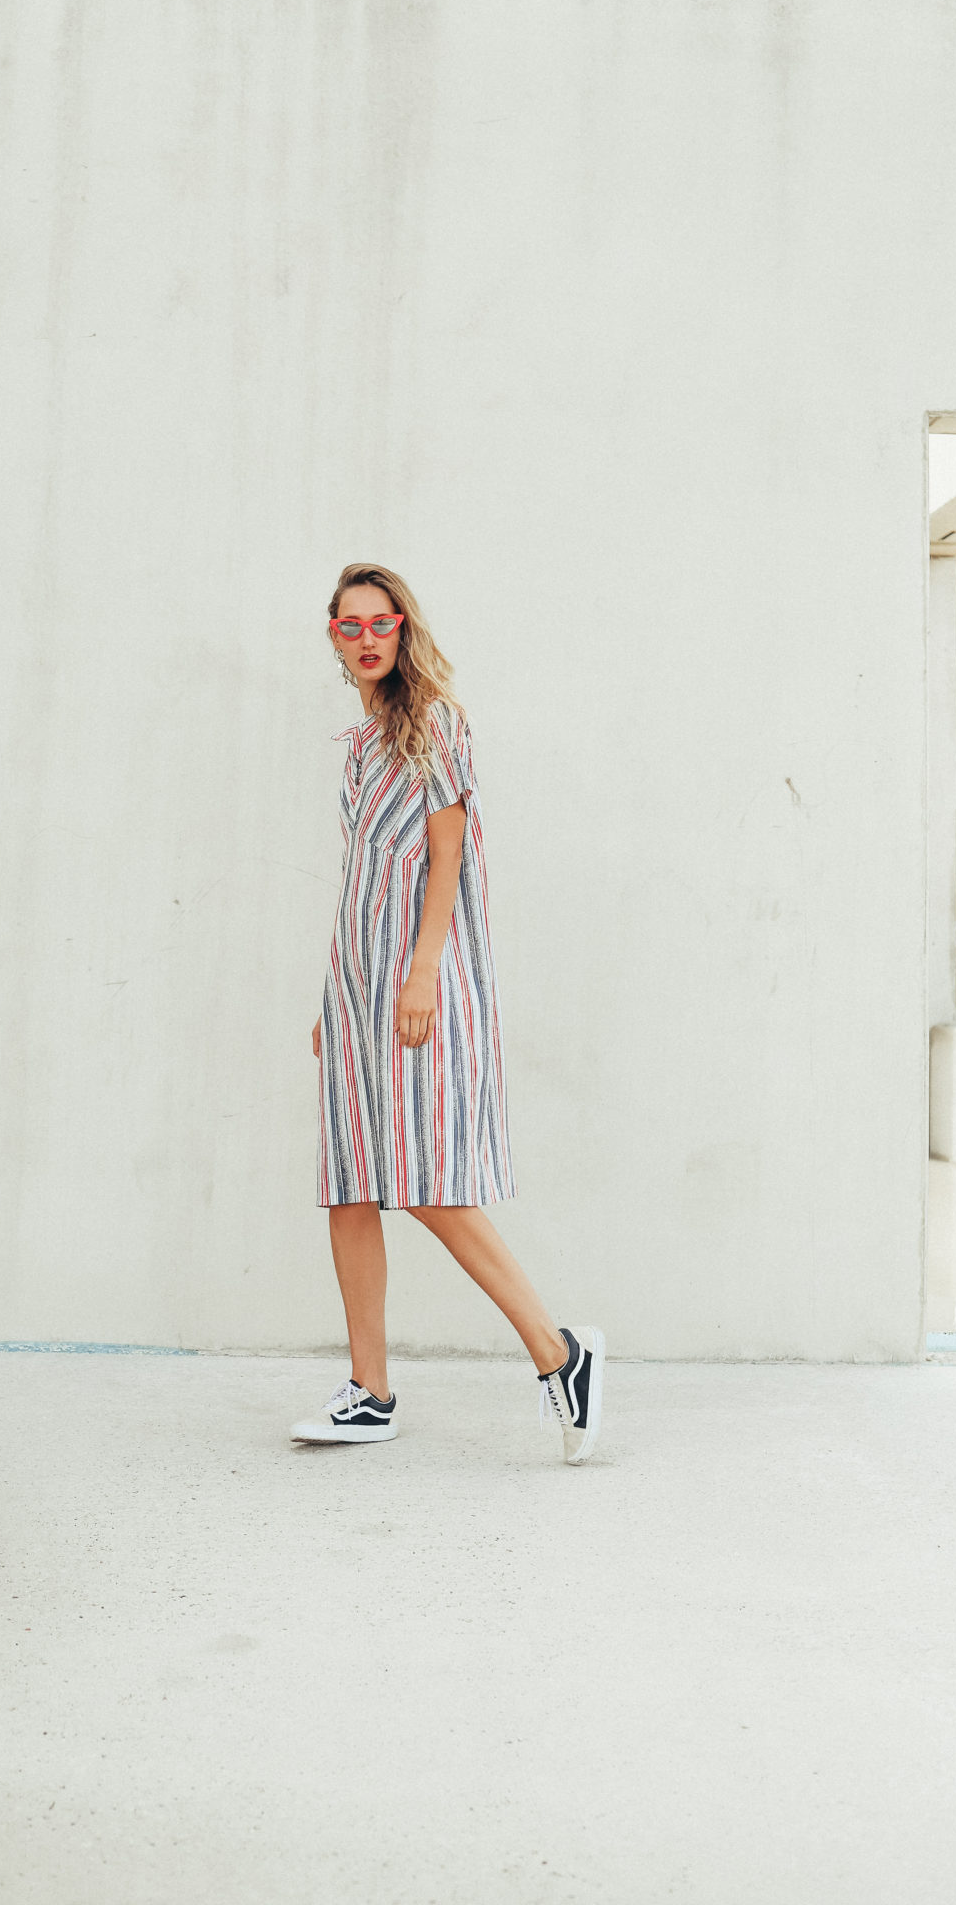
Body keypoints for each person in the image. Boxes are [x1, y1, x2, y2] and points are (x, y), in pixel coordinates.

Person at [292, 563, 603, 1463]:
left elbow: (447, 854)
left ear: (402, 628)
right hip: (355, 987)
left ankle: (560, 1354)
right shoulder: (356, 747)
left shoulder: (437, 723)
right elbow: (362, 877)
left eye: (378, 622)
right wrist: (332, 993)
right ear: (333, 636)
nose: (364, 639)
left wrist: (423, 969)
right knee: (349, 1184)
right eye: (348, 626)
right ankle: (370, 1391)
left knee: (430, 1182)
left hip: (415, 982)